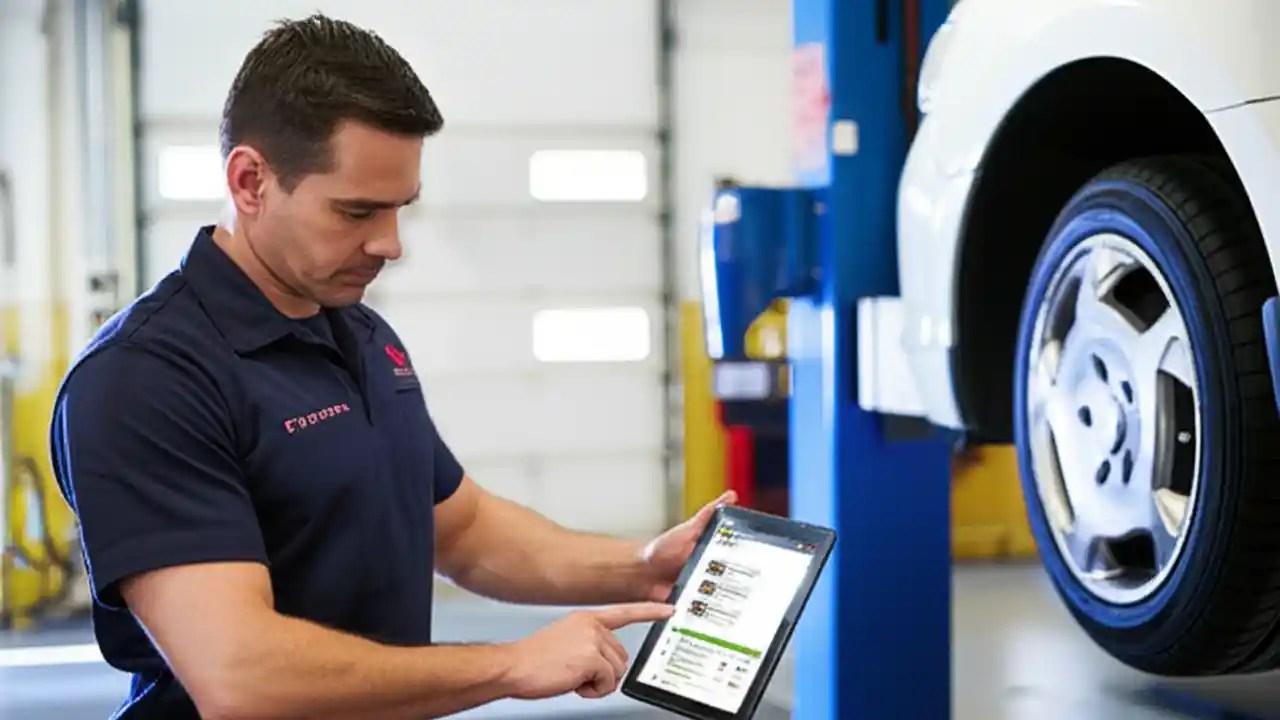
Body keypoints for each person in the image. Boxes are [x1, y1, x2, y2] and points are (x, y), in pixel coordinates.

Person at [48, 13, 736, 719]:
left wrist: (641, 564)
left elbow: (463, 530)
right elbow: (240, 676)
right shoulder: (147, 378)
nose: (391, 244)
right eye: (356, 212)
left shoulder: (363, 335)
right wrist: (511, 664)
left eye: (402, 208)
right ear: (250, 181)